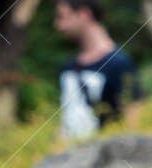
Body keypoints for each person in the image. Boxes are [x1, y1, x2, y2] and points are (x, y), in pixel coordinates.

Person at [53, 0, 136, 140]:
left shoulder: (118, 63)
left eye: (62, 17)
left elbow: (133, 118)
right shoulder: (68, 67)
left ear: (84, 14)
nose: (58, 25)